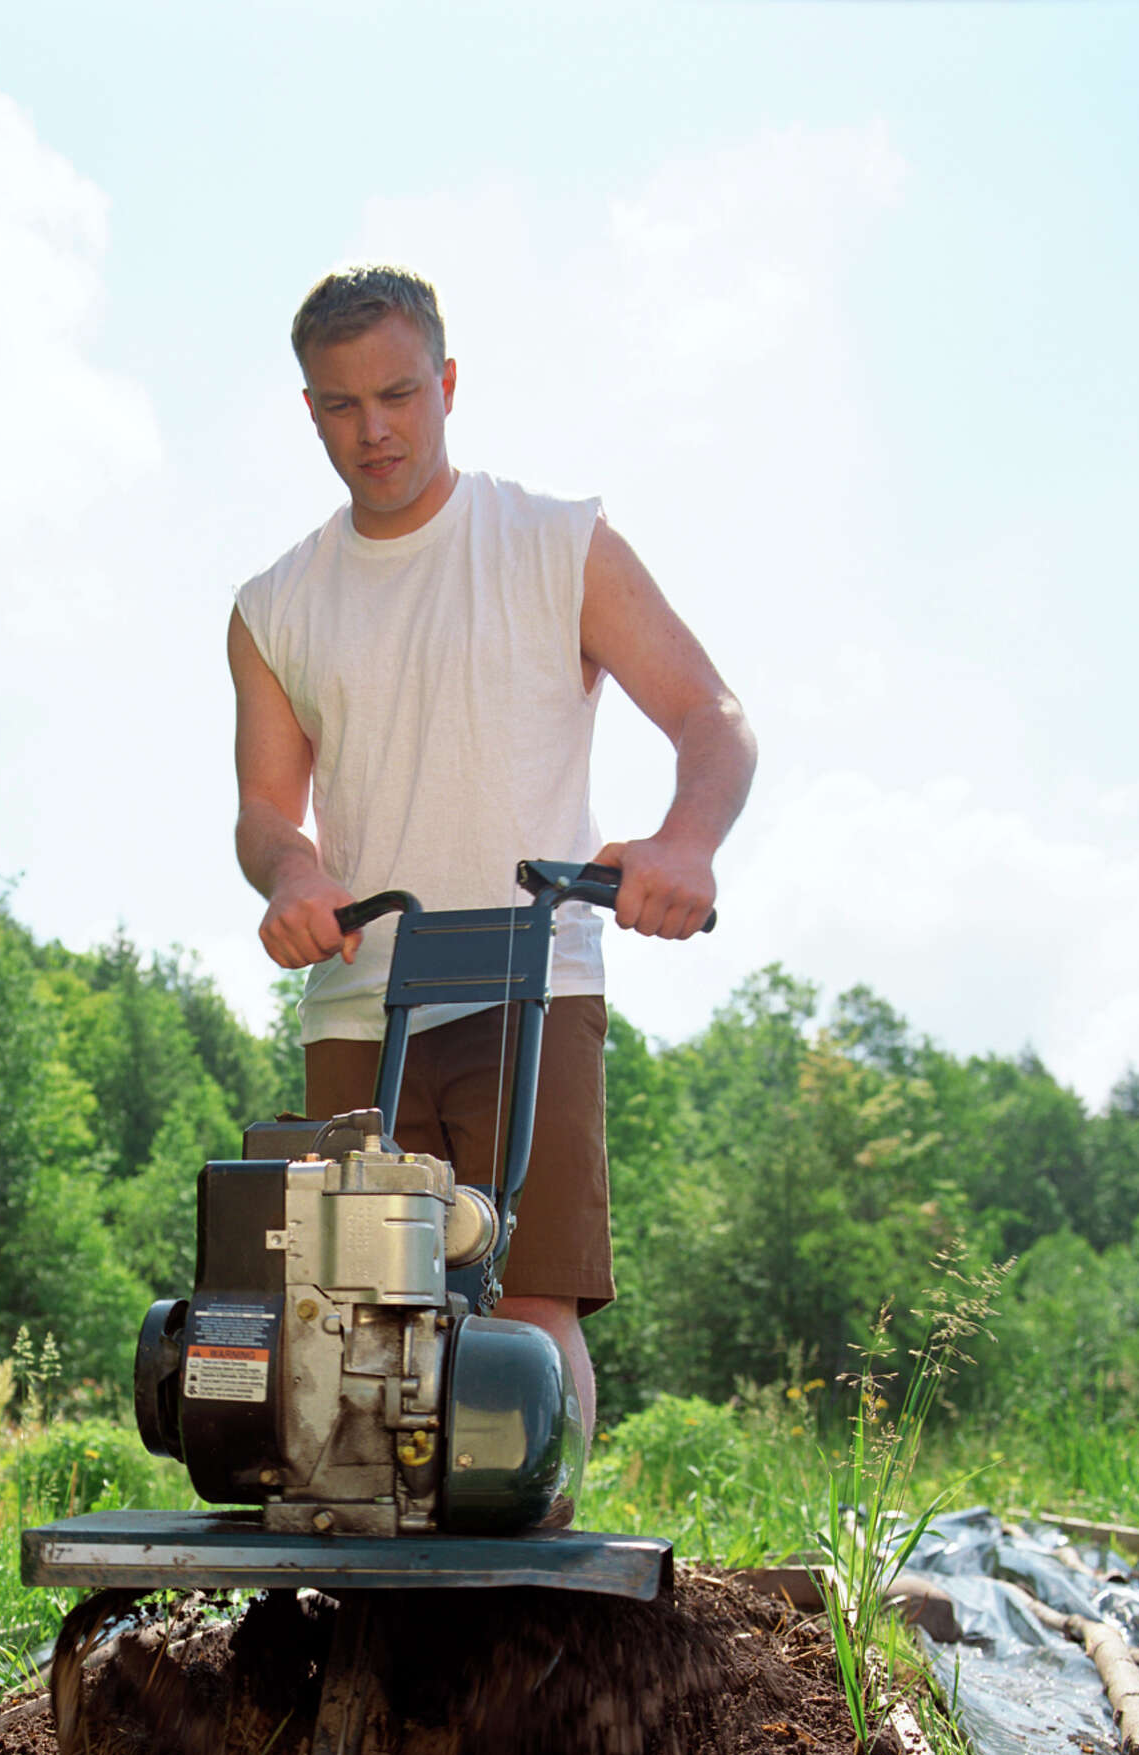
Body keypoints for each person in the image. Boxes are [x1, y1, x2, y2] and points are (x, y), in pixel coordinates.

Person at [229, 264, 756, 1476]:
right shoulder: (274, 607)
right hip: (364, 997)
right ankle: (368, 1575)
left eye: (399, 395)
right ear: (309, 411)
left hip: (533, 979)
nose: (375, 429)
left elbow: (712, 717)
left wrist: (685, 842)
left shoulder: (555, 545)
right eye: (341, 405)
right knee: (349, 1329)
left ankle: (535, 1552)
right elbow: (265, 811)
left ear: (449, 384)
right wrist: (292, 874)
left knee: (527, 1309)